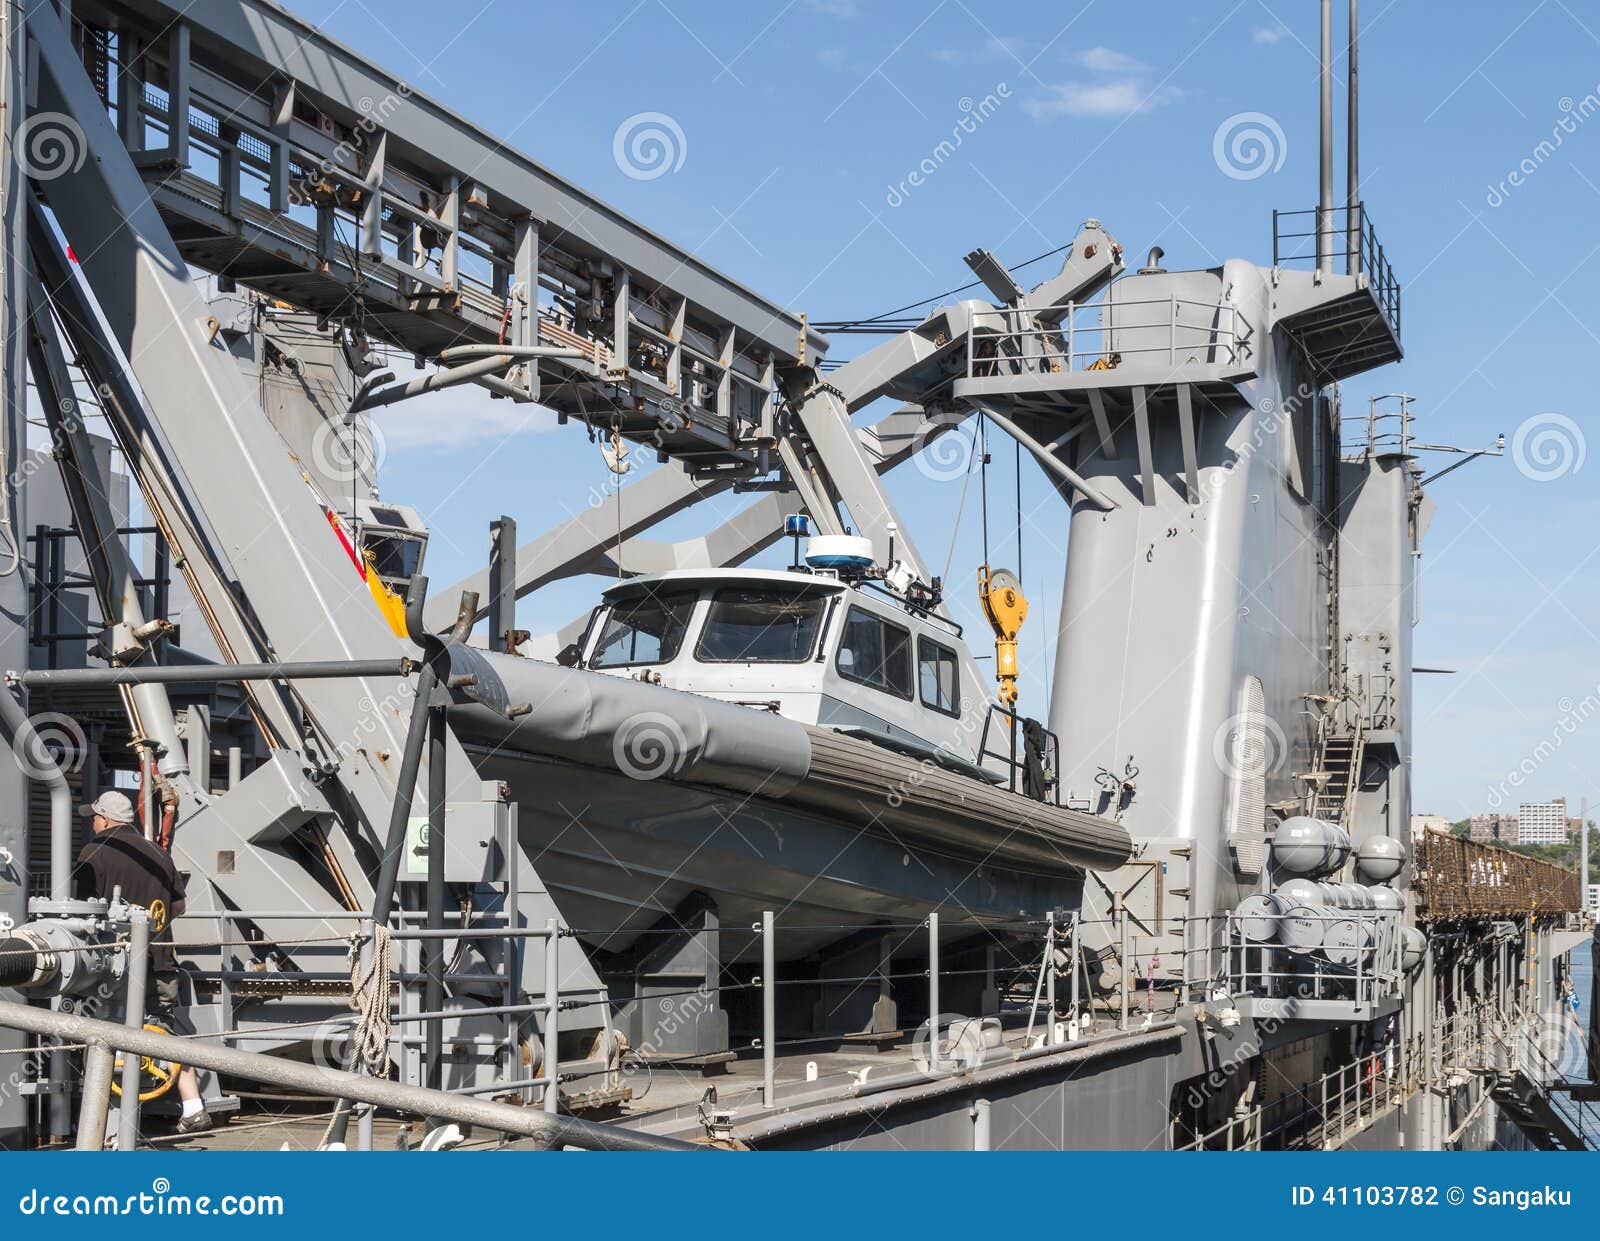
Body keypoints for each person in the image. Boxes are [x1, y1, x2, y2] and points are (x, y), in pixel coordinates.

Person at [73, 790, 211, 1135]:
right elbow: (178, 907)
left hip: (112, 966)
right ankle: (193, 1106)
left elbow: (78, 910)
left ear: (104, 819)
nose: (93, 822)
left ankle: (106, 1129)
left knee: (103, 1035)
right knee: (163, 1031)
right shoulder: (158, 854)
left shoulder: (95, 852)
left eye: (95, 816)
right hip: (160, 961)